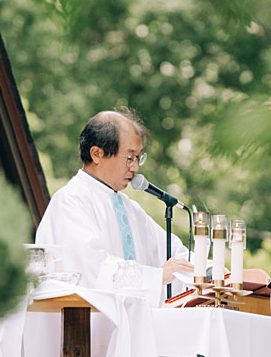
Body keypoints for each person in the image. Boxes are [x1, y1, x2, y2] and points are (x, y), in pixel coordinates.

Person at [35, 108, 193, 303]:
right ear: (96, 154)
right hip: (84, 326)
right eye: (129, 157)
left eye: (138, 158)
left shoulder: (131, 209)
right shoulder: (70, 201)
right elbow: (91, 267)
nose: (135, 168)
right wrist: (155, 277)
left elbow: (175, 254)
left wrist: (217, 273)